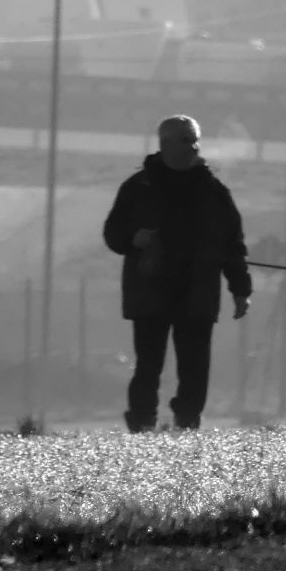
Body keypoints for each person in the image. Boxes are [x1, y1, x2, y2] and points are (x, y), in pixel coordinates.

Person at [103, 115, 252, 432]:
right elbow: (112, 235)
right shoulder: (136, 188)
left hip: (198, 292)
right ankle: (142, 424)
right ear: (165, 144)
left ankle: (187, 423)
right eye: (186, 140)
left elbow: (232, 244)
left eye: (195, 139)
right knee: (148, 365)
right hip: (149, 292)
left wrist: (241, 289)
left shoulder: (214, 192)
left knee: (195, 367)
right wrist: (134, 239)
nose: (194, 146)